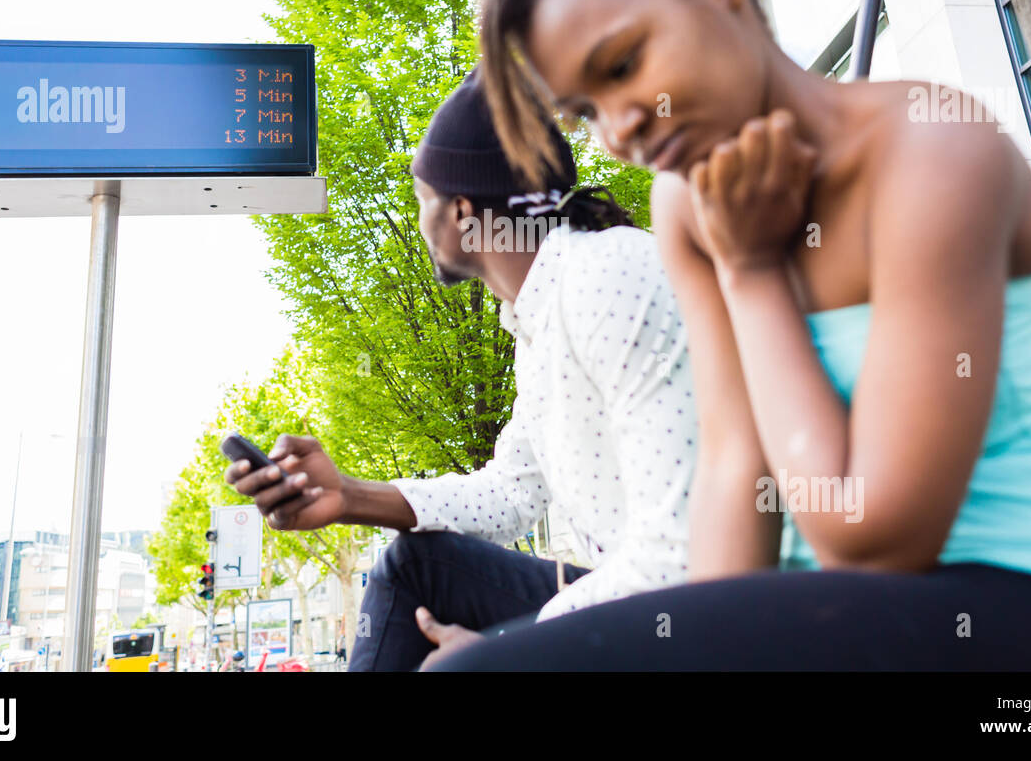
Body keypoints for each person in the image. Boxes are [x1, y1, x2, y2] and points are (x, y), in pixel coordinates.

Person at [426, 0, 1031, 670]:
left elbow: (874, 538)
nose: (620, 127)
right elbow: (737, 474)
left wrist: (752, 271)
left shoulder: (933, 153)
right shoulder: (685, 206)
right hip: (839, 625)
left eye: (625, 64)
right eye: (586, 112)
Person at [226, 67, 698, 671]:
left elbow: (682, 555)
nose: (422, 223)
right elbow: (511, 491)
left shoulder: (605, 277)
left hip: (695, 609)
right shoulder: (539, 318)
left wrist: (511, 654)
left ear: (464, 212)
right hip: (639, 596)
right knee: (415, 565)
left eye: (424, 200)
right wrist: (346, 496)